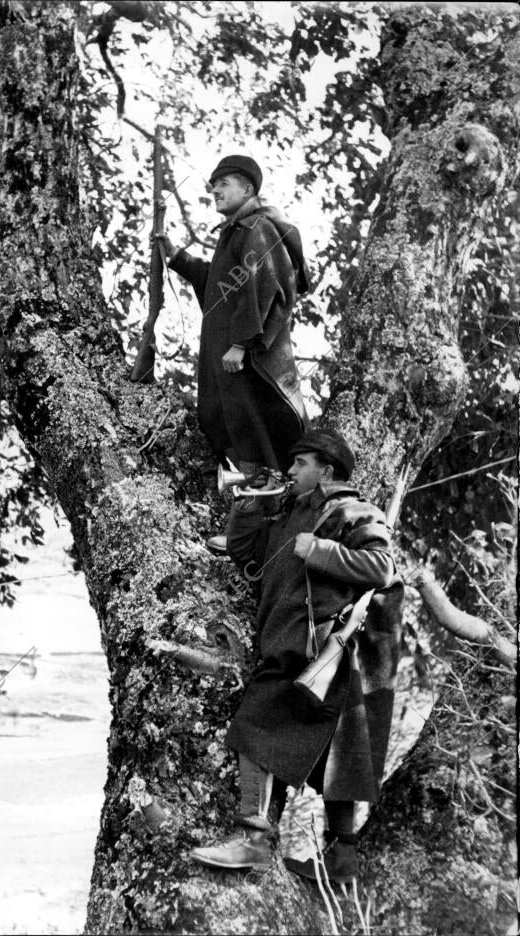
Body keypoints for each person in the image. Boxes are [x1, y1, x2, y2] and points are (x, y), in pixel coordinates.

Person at [189, 427, 404, 883]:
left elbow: (383, 567)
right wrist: (248, 505)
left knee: (258, 725)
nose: (289, 471)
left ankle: (254, 842)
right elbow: (247, 557)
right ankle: (341, 862)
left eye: (300, 464)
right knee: (335, 754)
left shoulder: (353, 510)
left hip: (315, 650)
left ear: (326, 471)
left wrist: (321, 549)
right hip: (291, 645)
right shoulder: (293, 513)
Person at [157, 155, 310, 549]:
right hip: (230, 359)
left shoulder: (257, 228)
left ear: (248, 190)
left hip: (249, 358)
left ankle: (255, 533)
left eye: (224, 183)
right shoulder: (235, 232)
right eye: (213, 185)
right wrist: (176, 258)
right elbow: (220, 284)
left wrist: (241, 344)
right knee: (238, 437)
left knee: (259, 442)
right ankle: (252, 534)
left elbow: (266, 285)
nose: (215, 191)